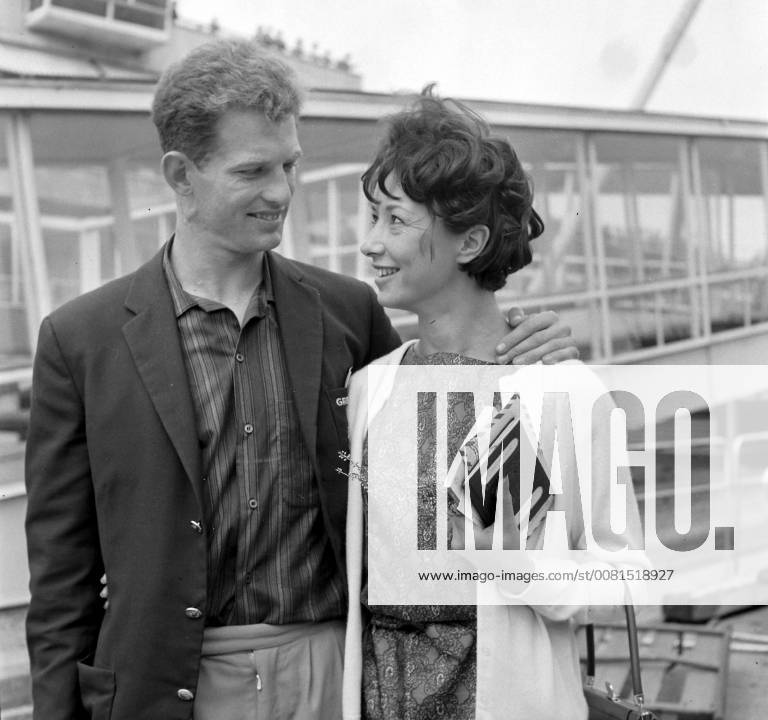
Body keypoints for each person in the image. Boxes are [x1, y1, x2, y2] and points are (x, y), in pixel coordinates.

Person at [24, 40, 577, 720]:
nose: (281, 192)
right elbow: (61, 583)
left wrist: (524, 352)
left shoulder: (350, 313)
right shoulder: (80, 340)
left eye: (290, 165)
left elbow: (434, 442)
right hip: (165, 685)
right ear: (180, 174)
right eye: (253, 170)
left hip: (338, 675)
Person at [342, 90, 644, 720]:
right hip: (379, 699)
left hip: (505, 698)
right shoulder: (371, 387)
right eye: (372, 217)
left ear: (471, 241)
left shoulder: (562, 392)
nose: (370, 243)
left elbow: (622, 568)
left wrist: (511, 548)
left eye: (395, 221)